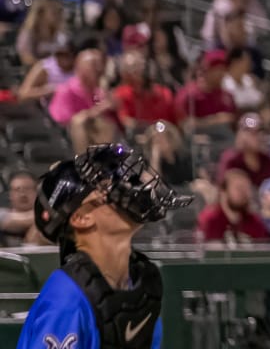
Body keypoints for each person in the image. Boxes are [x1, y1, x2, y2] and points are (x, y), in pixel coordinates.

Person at [20, 143, 190, 348]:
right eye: (105, 188)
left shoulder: (141, 284)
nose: (125, 189)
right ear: (81, 218)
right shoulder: (66, 299)